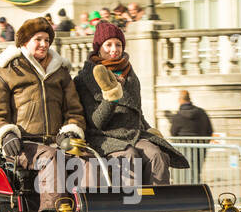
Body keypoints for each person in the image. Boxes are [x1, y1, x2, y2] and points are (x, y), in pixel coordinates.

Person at [0, 15, 86, 212]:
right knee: (50, 157)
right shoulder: (4, 73)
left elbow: (74, 111)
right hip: (22, 146)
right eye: (38, 39)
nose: (44, 44)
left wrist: (70, 131)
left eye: (47, 40)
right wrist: (6, 134)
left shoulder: (61, 73)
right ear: (24, 42)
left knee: (87, 158)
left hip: (57, 142)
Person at [74, 19, 187, 187]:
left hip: (134, 134)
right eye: (108, 45)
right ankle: (130, 202)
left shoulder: (130, 75)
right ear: (99, 48)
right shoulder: (84, 78)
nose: (114, 49)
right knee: (130, 156)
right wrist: (111, 98)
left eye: (118, 44)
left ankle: (159, 201)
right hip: (104, 138)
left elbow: (136, 113)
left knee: (158, 155)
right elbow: (96, 122)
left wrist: (149, 129)